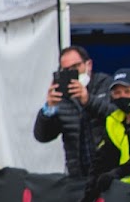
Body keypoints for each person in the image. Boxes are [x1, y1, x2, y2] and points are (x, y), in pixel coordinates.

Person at [33, 46, 112, 178]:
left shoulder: (105, 84)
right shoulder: (62, 97)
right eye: (66, 70)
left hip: (108, 172)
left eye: (76, 67)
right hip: (79, 176)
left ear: (89, 65)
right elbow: (42, 136)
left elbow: (118, 115)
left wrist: (88, 100)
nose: (72, 72)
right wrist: (49, 108)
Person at [78, 68, 130, 202]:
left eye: (127, 91)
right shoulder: (113, 120)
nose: (122, 96)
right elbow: (105, 156)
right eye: (117, 93)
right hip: (129, 194)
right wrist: (92, 185)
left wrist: (117, 173)